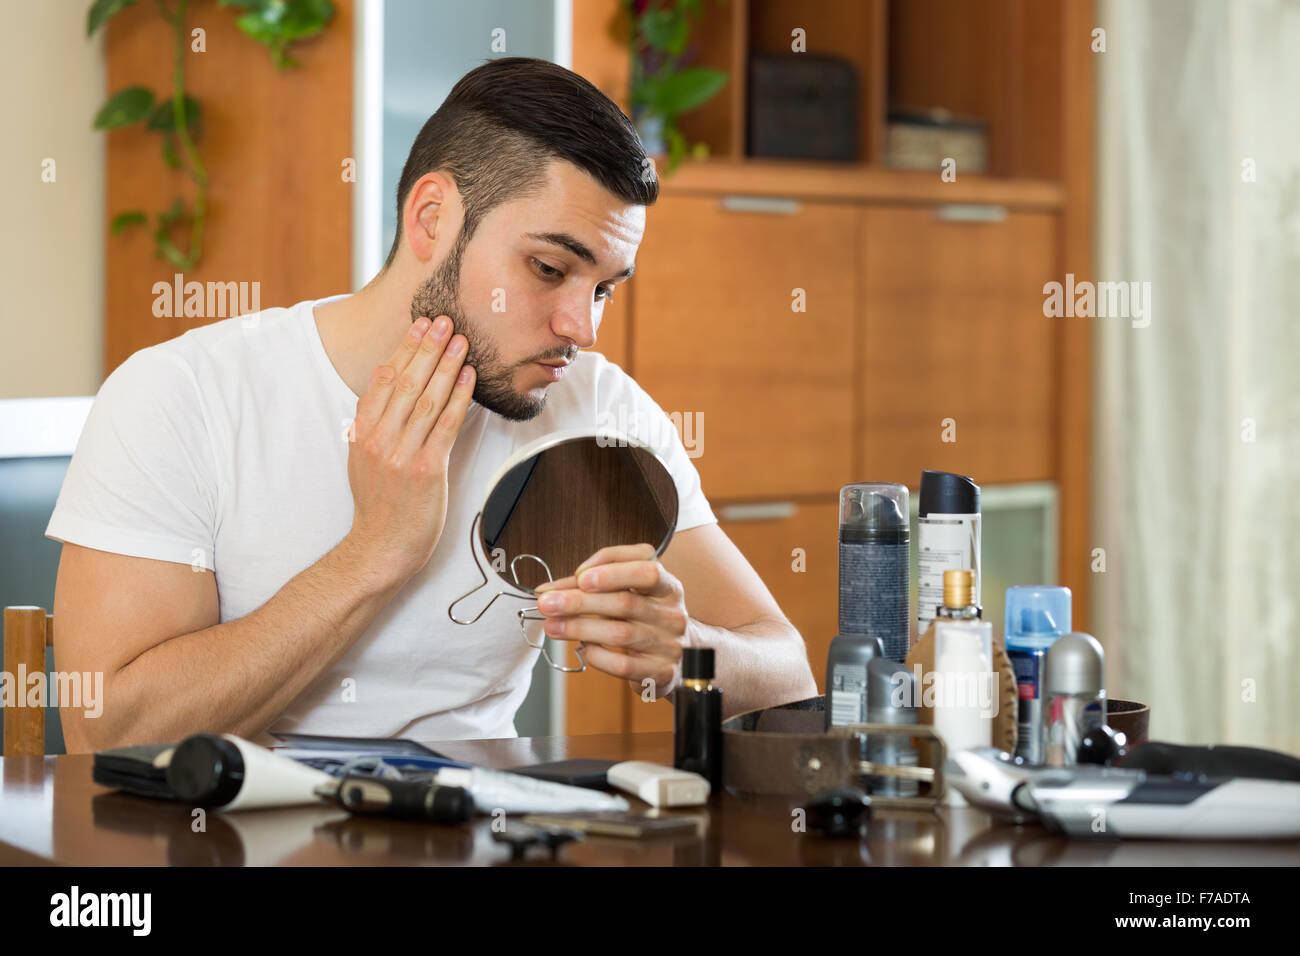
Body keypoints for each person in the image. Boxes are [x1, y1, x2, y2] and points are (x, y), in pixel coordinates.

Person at [47, 57, 817, 753]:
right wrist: (375, 552)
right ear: (431, 219)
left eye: (605, 289)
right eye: (550, 268)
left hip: (483, 832)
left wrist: (688, 653)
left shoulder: (595, 412)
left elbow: (788, 675)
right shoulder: (183, 397)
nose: (582, 328)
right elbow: (111, 732)